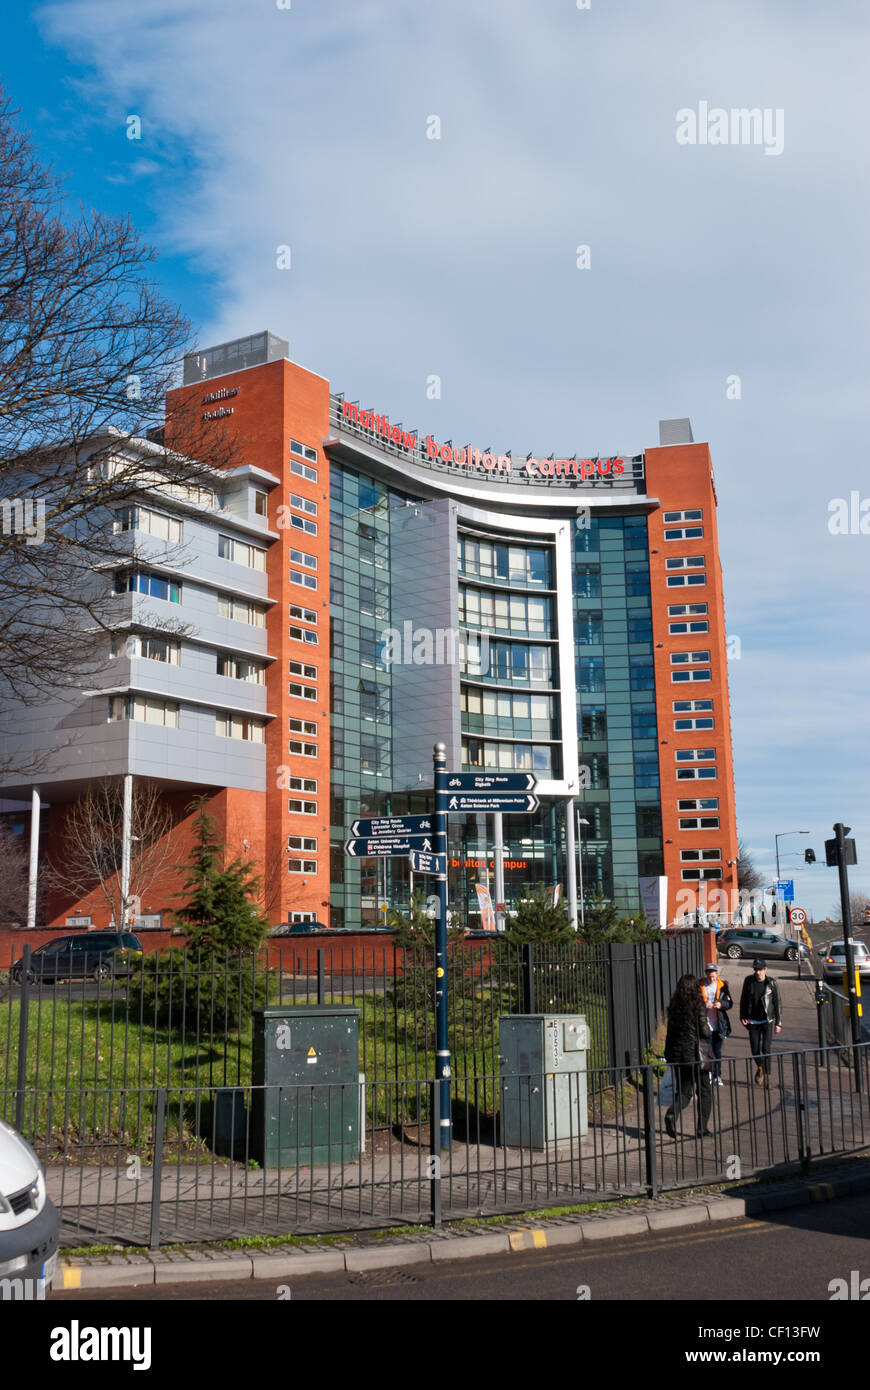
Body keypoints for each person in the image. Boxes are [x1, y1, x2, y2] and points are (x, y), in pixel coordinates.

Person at [663, 973, 713, 1139]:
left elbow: (669, 1033)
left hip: (678, 1056)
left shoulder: (674, 1006)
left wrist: (669, 1054)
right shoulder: (698, 1005)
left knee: (685, 1092)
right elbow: (704, 1030)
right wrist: (709, 1030)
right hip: (697, 1056)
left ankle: (672, 1113)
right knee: (705, 1091)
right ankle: (702, 1129)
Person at [740, 958, 782, 1085]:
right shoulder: (748, 981)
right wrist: (742, 1016)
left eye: (760, 970)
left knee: (766, 1048)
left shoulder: (771, 983)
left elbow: (777, 1003)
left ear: (765, 969)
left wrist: (778, 1023)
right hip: (752, 1021)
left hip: (767, 1020)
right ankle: (760, 1068)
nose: (758, 972)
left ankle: (768, 1079)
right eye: (756, 970)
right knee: (755, 1050)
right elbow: (743, 1000)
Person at [700, 962, 733, 1085]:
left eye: (714, 976)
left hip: (719, 1024)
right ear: (706, 975)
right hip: (705, 1023)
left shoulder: (722, 986)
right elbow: (695, 1003)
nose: (712, 979)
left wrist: (721, 1005)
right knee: (707, 1051)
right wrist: (704, 1006)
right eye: (709, 976)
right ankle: (708, 1074)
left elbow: (730, 1003)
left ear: (717, 975)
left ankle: (717, 1076)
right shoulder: (700, 985)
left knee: (717, 1051)